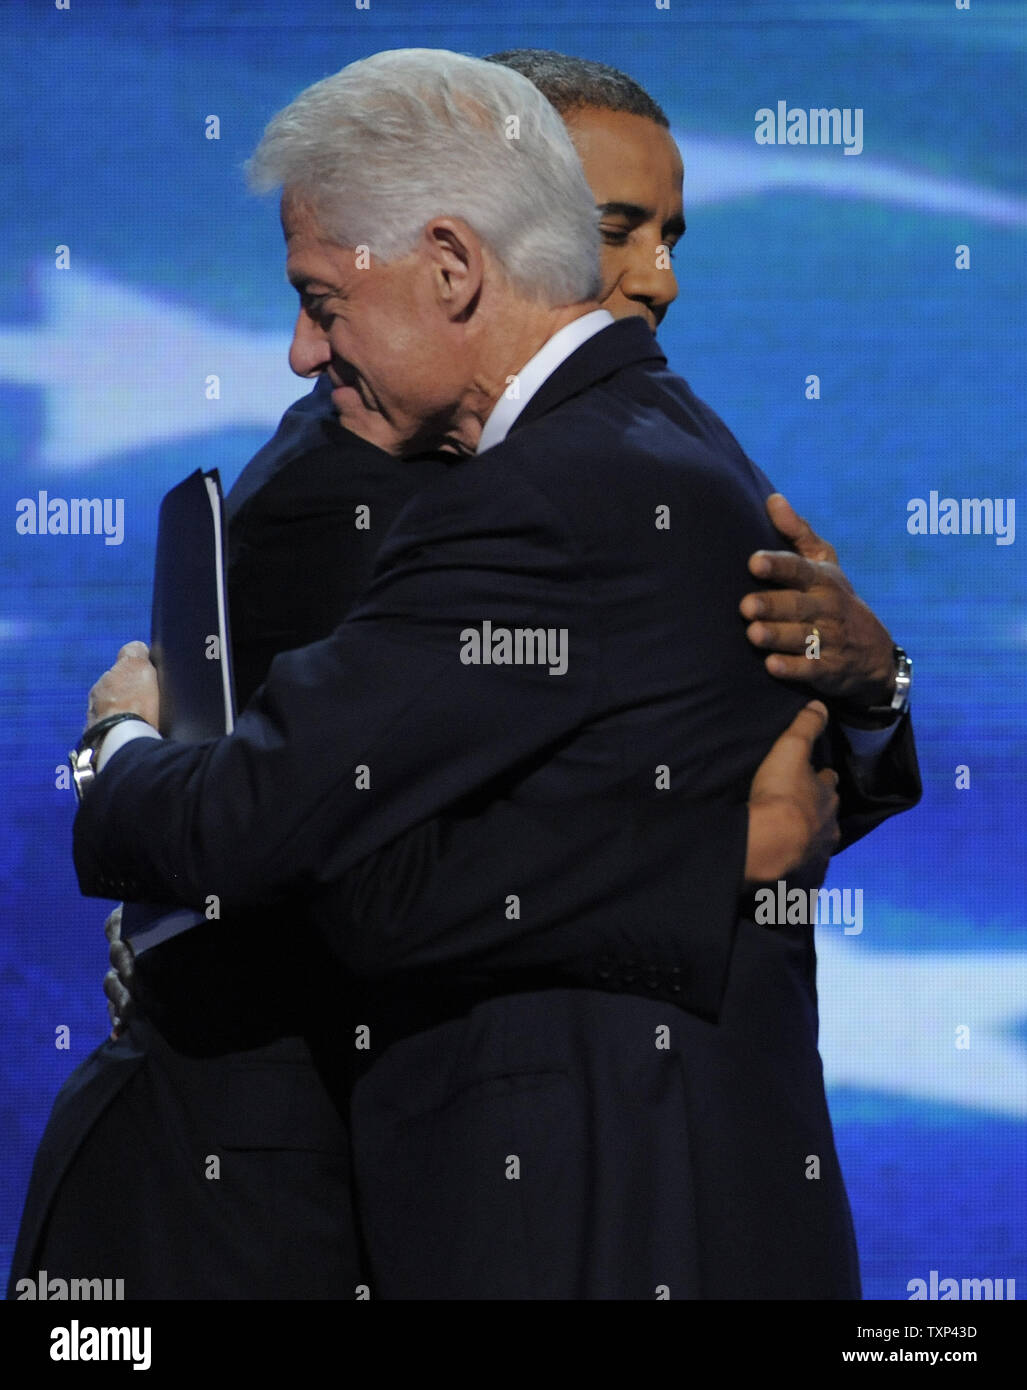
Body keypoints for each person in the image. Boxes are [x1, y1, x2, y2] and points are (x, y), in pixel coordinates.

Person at [64, 48, 920, 1301]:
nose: (651, 276)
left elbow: (307, 852)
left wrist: (120, 755)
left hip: (591, 1178)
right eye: (611, 224)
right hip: (392, 1176)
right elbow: (341, 878)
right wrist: (699, 851)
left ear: (456, 259)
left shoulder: (555, 476)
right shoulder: (456, 467)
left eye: (322, 300)